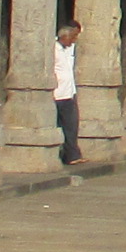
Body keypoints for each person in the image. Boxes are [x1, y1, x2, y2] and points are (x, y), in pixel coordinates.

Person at [52, 20, 82, 165]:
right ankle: (64, 154)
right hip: (56, 93)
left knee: (71, 125)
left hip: (69, 92)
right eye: (73, 37)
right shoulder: (53, 47)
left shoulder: (70, 48)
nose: (74, 40)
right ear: (64, 36)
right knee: (58, 124)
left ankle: (72, 155)